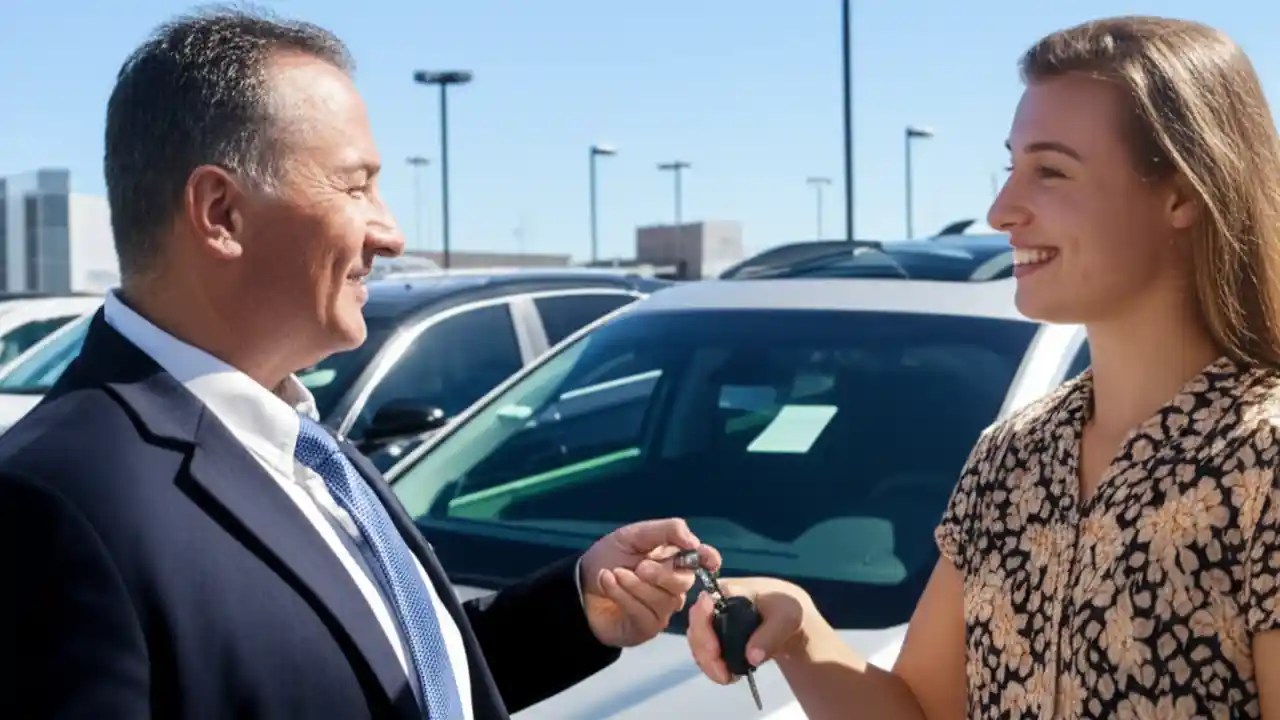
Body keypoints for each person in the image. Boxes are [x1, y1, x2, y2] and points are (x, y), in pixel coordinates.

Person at [0, 8, 718, 720]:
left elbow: (392, 680)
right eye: (355, 186)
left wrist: (578, 607)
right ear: (221, 213)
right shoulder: (50, 507)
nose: (392, 232)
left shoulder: (300, 444)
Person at [688, 15, 1280, 720]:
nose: (1001, 210)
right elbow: (921, 712)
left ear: (1181, 194)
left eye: (1050, 171)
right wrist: (800, 628)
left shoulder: (1264, 465)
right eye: (1012, 167)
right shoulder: (1014, 455)